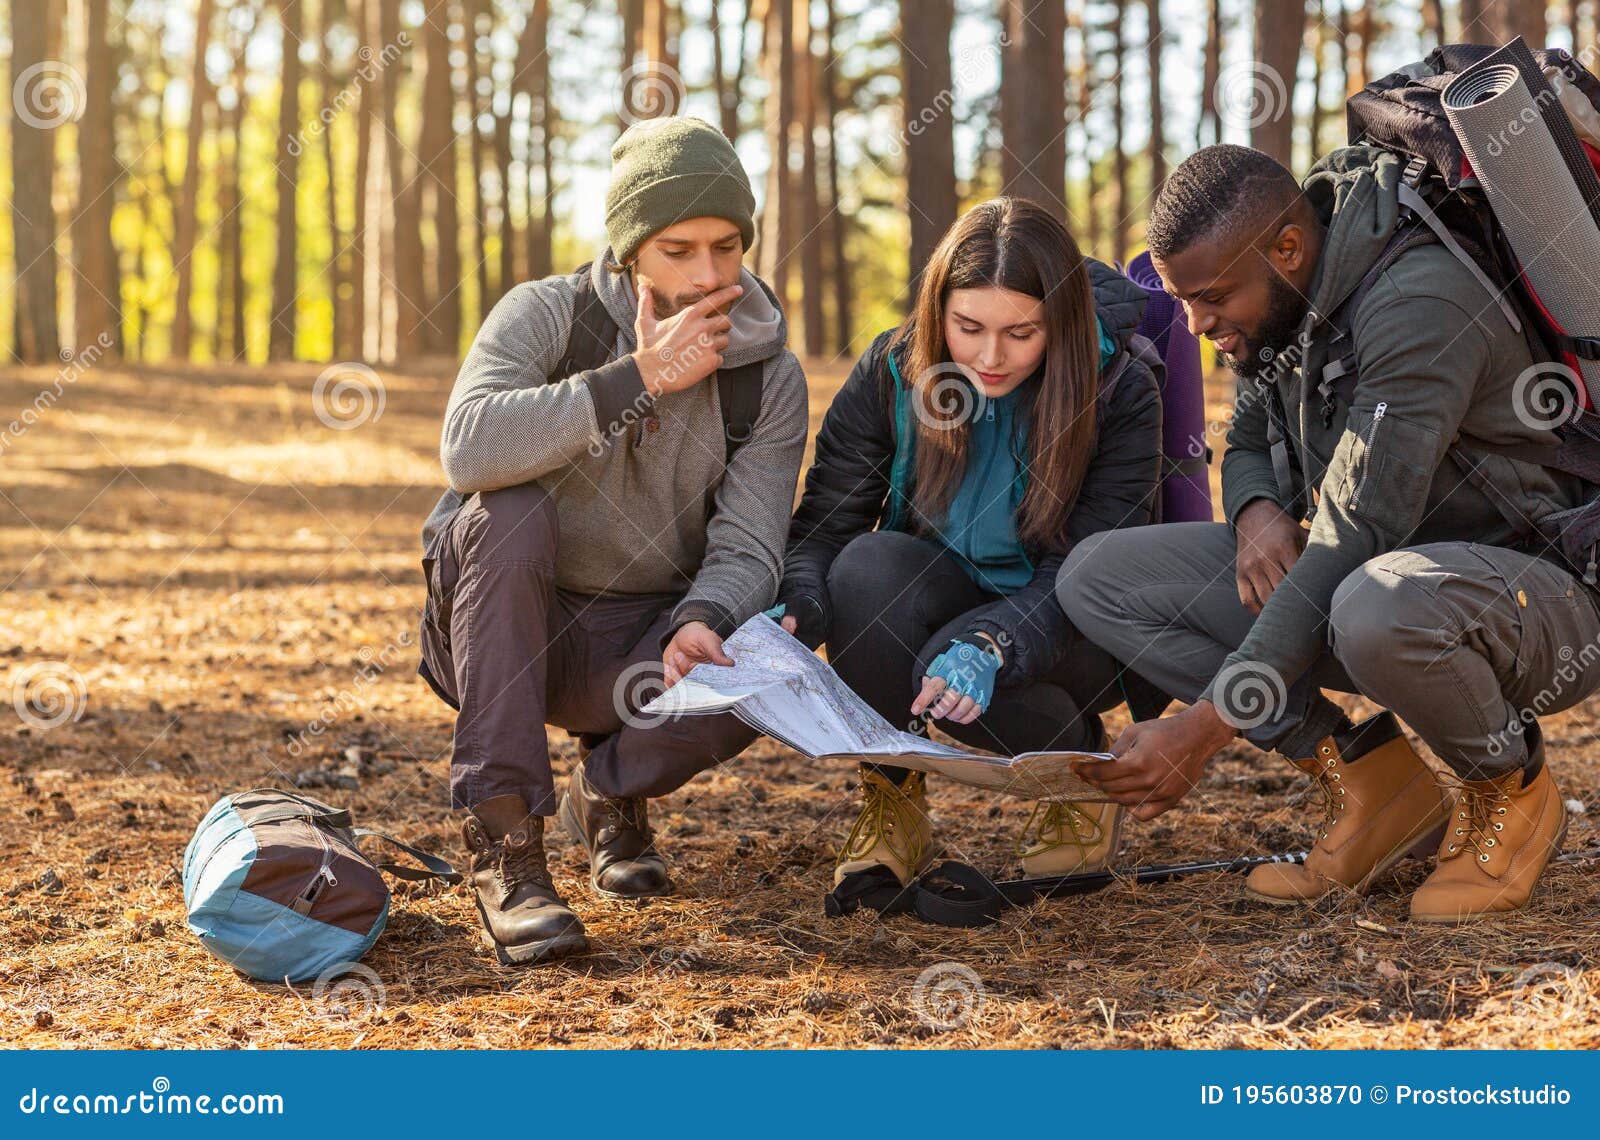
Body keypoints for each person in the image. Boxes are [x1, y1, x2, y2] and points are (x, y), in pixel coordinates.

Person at [1060, 144, 1599, 923]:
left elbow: (1357, 531)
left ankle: (1510, 791)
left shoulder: (1420, 301)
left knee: (1373, 603)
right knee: (1102, 577)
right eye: (1182, 300)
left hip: (1543, 590)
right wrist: (1254, 514)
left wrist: (1205, 728)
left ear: (1287, 246)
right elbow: (1247, 437)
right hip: (1386, 583)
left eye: (1210, 297)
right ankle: (1377, 791)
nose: (1195, 323)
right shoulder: (1289, 291)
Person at [418, 117, 808, 964]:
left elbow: (749, 543)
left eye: (727, 245)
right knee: (507, 512)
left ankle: (605, 792)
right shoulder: (545, 317)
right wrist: (637, 377)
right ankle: (507, 848)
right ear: (631, 249)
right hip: (503, 627)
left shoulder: (769, 376)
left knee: (773, 640)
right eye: (678, 250)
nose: (709, 276)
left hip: (639, 649)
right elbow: (467, 448)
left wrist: (703, 617)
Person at [777, 197, 1167, 897]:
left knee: (961, 661)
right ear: (937, 315)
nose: (991, 357)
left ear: (1063, 323)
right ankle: (893, 799)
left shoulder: (1117, 390)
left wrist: (993, 643)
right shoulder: (893, 372)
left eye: (1022, 333)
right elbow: (827, 526)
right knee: (864, 568)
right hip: (946, 592)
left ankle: (1075, 772)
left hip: (1075, 619)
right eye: (968, 328)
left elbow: (1093, 563)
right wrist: (802, 602)